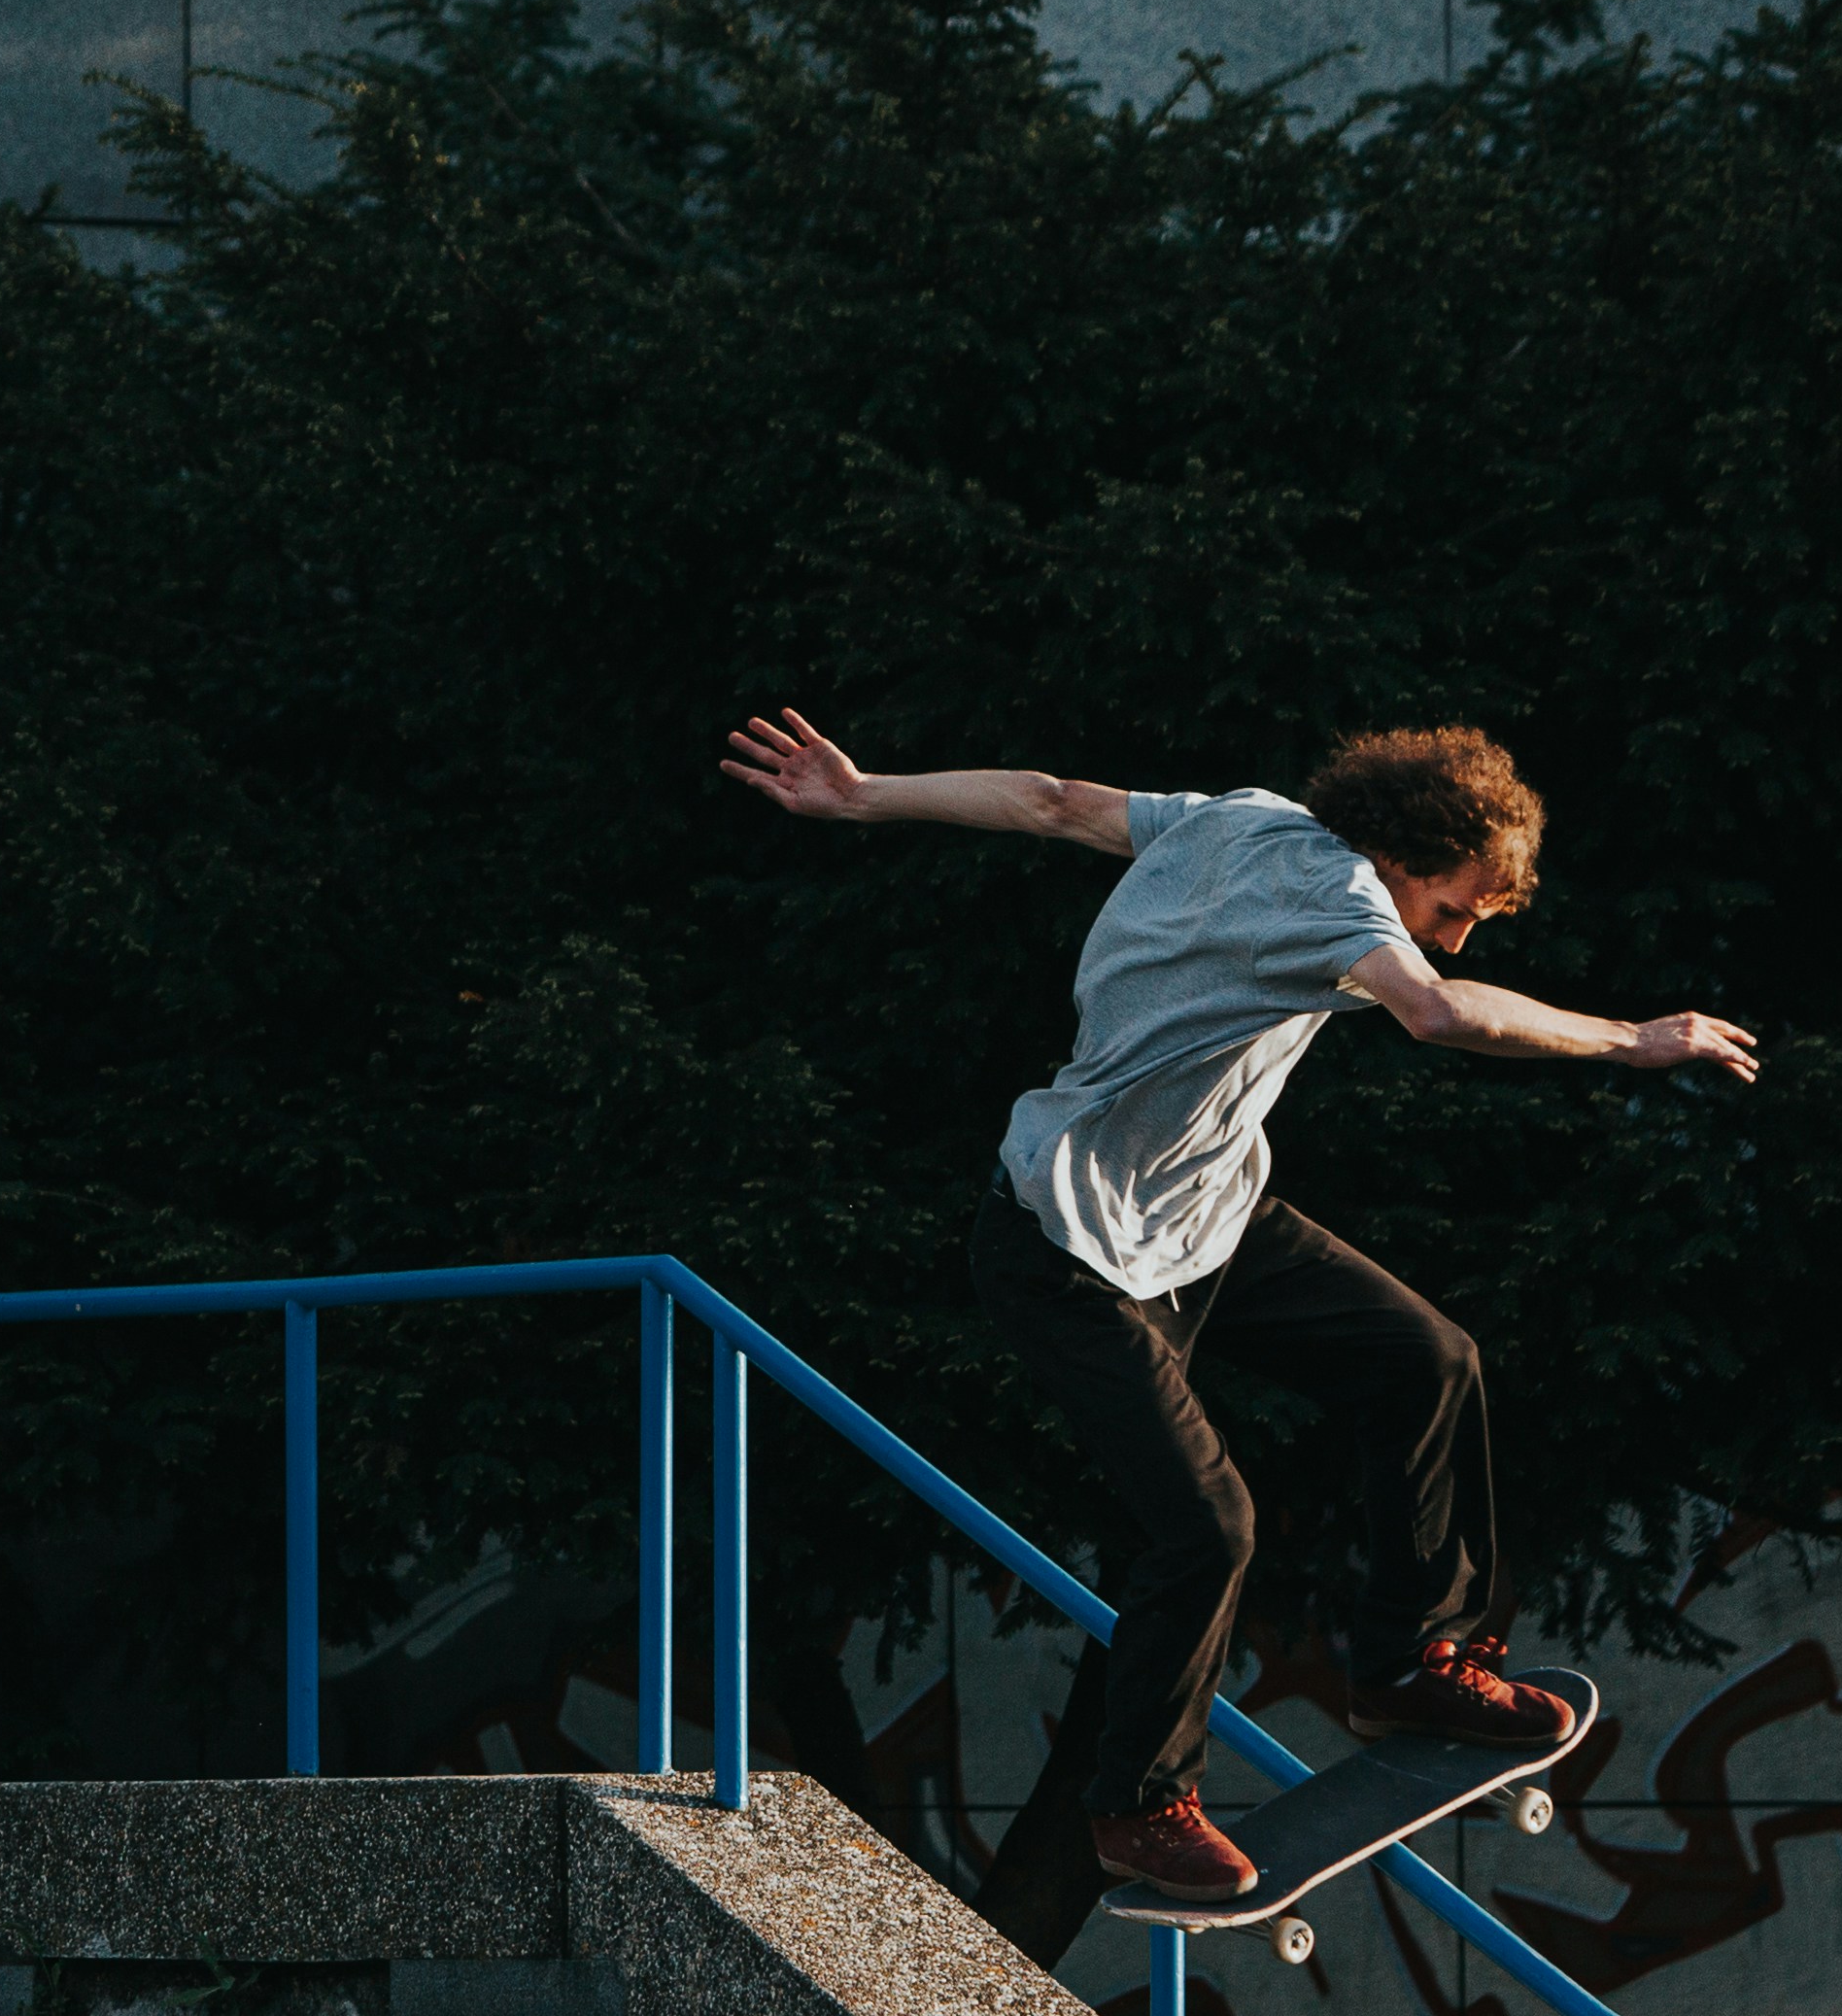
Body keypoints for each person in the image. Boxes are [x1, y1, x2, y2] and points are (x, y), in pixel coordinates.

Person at [721, 709, 1758, 1900]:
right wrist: (1631, 1038)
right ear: (1401, 855)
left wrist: (865, 795)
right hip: (1066, 1244)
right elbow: (1437, 1013)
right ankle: (1140, 1803)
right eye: (1455, 907)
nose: (1458, 934)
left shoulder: (1240, 817)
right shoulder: (1348, 904)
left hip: (1209, 1217)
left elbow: (1055, 796)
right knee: (1206, 1525)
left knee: (1428, 1358)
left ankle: (1414, 1659)